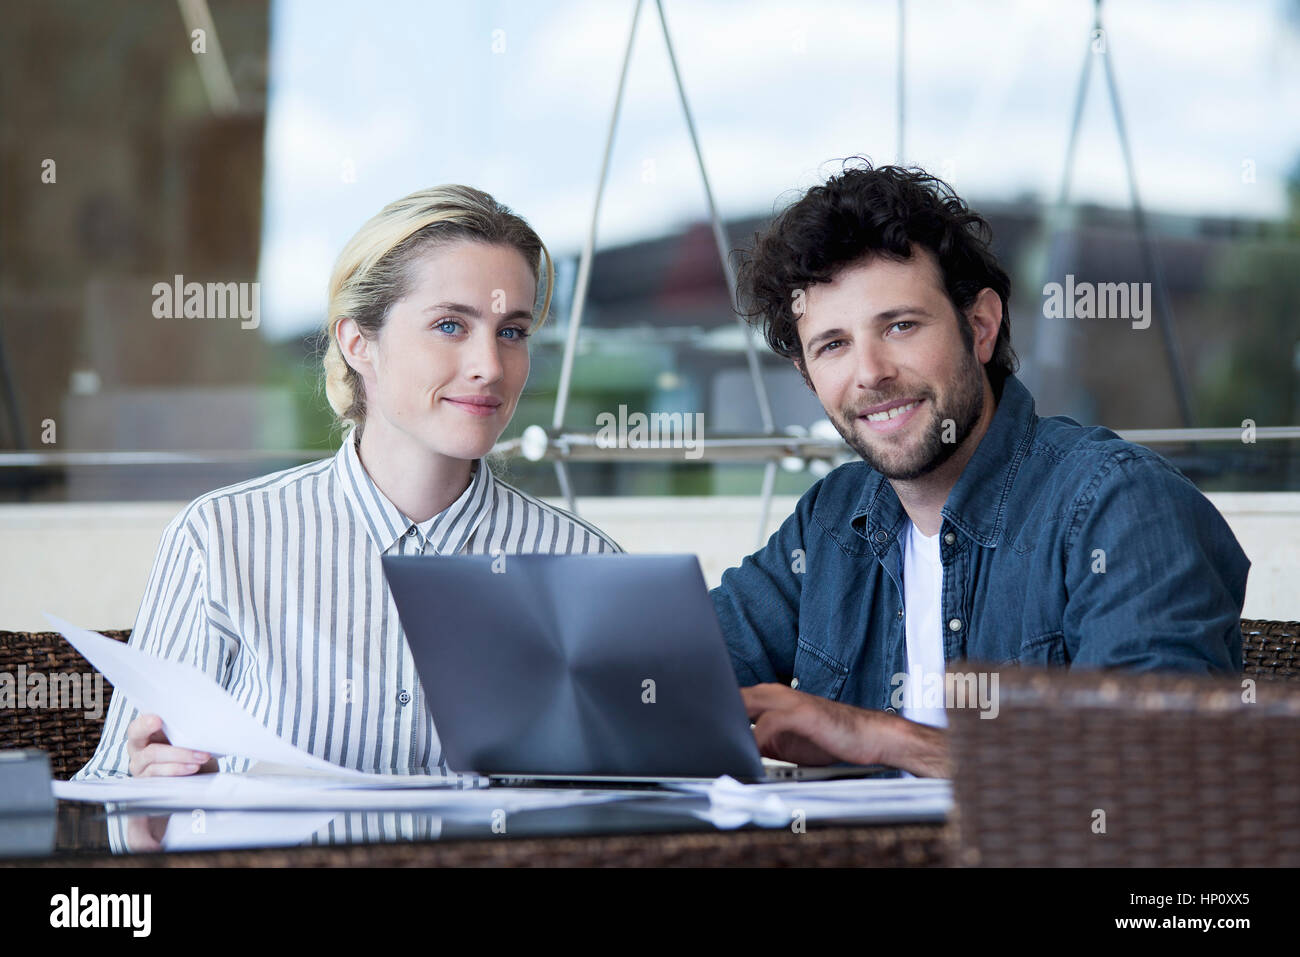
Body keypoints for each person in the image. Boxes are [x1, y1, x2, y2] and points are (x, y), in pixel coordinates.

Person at [712, 159, 1250, 778]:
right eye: (833, 345)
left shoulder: (1118, 504)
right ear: (809, 377)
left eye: (901, 326)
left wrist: (883, 739)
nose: (870, 374)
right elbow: (669, 673)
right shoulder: (831, 521)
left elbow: (1155, 766)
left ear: (981, 326)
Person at [74, 184, 621, 783]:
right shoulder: (221, 538)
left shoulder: (587, 565)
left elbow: (639, 800)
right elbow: (108, 789)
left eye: (511, 332)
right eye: (449, 325)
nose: (489, 366)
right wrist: (150, 789)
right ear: (359, 342)